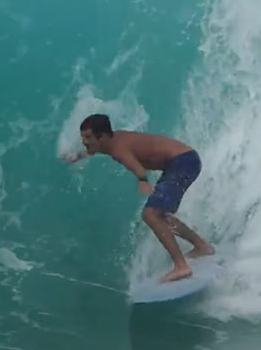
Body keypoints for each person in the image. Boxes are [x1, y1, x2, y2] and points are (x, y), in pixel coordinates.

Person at [66, 114, 214, 282]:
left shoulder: (118, 149)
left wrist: (142, 181)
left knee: (150, 214)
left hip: (183, 163)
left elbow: (140, 170)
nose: (84, 142)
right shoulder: (111, 140)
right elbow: (93, 150)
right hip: (183, 161)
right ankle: (201, 246)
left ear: (103, 137)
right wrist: (77, 156)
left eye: (88, 137)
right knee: (159, 215)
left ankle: (182, 266)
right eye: (83, 137)